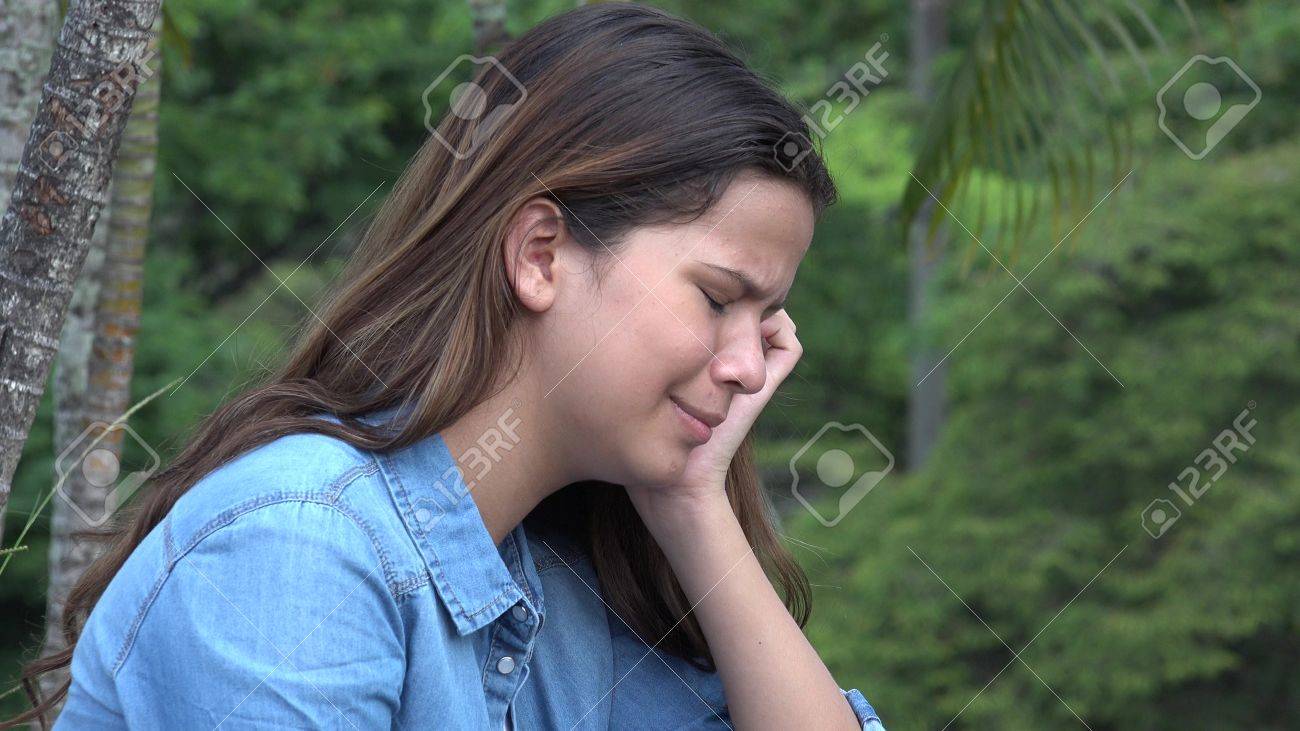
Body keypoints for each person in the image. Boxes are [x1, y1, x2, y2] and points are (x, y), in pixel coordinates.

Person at [11, 3, 886, 728]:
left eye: (767, 323)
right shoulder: (302, 547)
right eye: (718, 298)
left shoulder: (568, 593)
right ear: (540, 255)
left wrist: (695, 506)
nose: (749, 368)